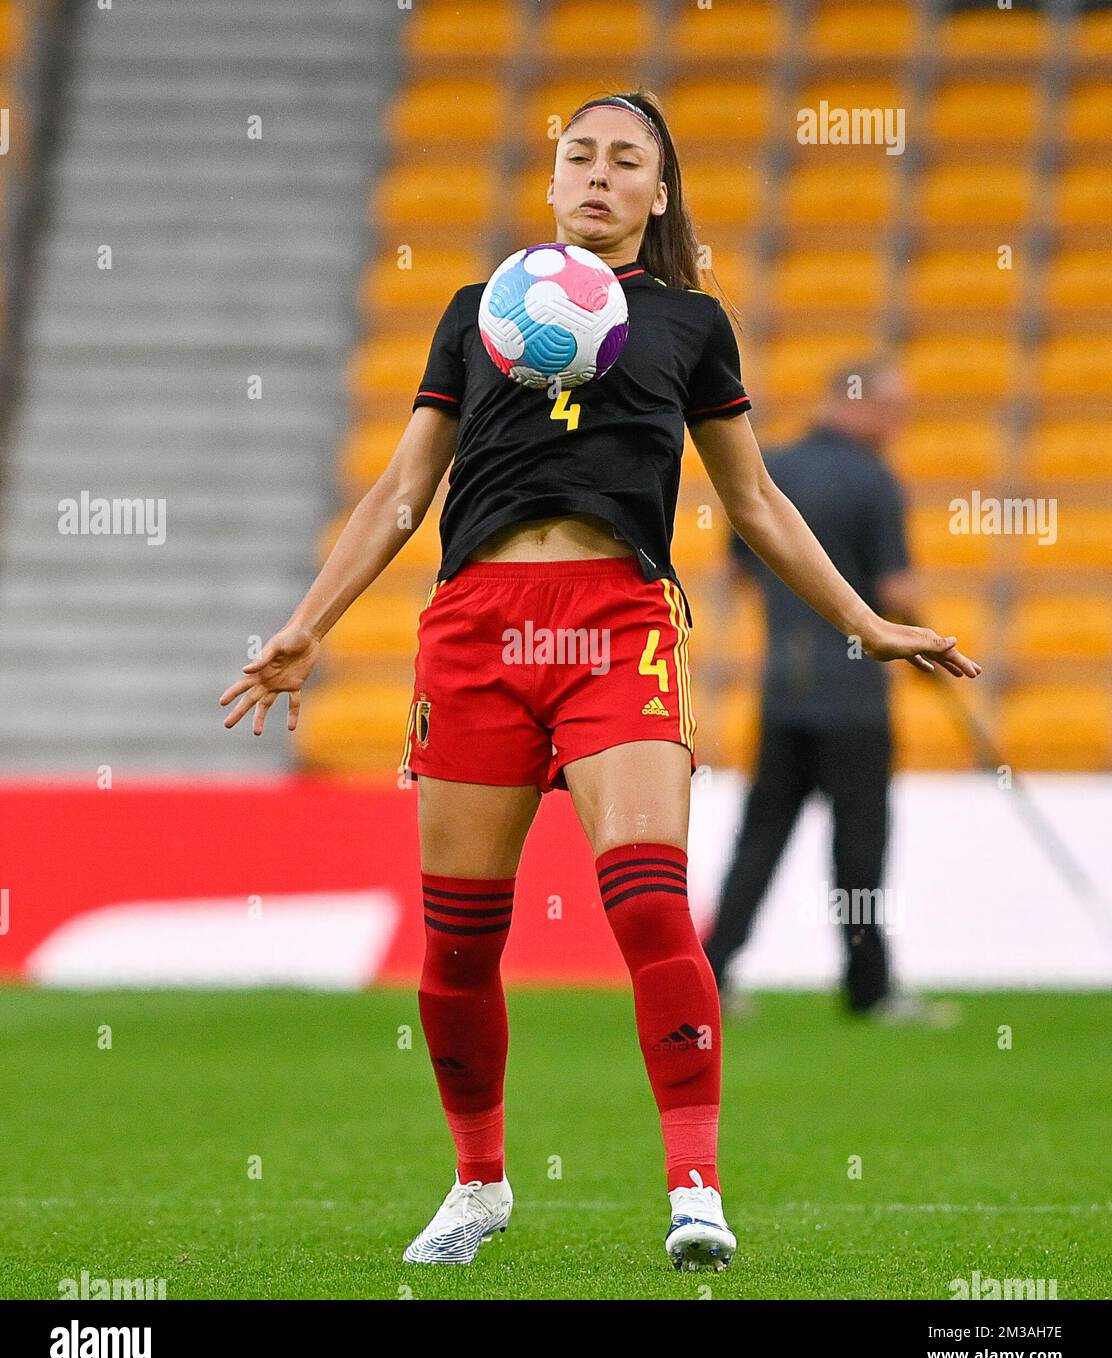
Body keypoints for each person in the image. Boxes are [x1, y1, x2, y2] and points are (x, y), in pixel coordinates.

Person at [218, 92, 980, 1274]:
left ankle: (695, 1187)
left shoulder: (687, 323)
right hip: (475, 631)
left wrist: (863, 619)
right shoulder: (477, 313)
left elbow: (756, 502)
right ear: (550, 178)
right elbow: (401, 492)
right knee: (459, 947)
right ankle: (476, 1184)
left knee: (643, 900)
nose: (599, 175)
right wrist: (307, 624)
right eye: (579, 154)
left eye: (627, 161)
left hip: (616, 625)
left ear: (657, 194)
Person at [703, 363, 954, 1024]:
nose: (900, 426)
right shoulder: (874, 480)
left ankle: (712, 976)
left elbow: (737, 570)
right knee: (860, 850)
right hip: (853, 699)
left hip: (785, 688)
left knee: (758, 842)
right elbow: (895, 593)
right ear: (861, 402)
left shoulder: (770, 469)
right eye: (895, 408)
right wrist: (927, 649)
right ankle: (868, 988)